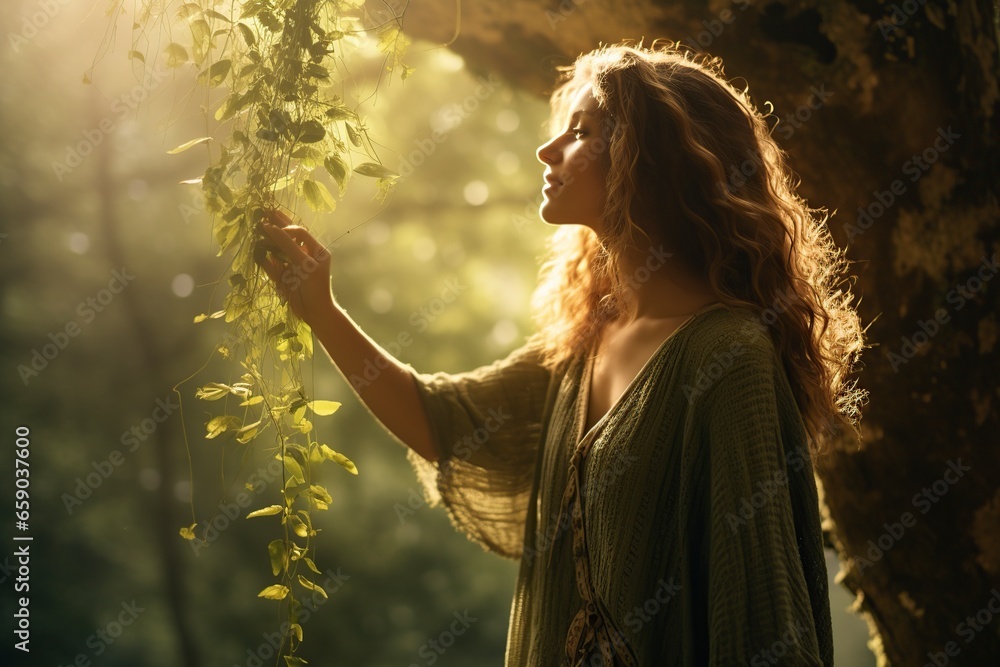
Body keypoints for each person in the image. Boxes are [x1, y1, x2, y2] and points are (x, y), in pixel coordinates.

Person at [255, 39, 866, 667]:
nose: (548, 150)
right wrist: (320, 312)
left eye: (582, 131)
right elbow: (444, 423)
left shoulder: (729, 358)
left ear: (647, 158)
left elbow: (763, 616)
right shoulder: (582, 345)